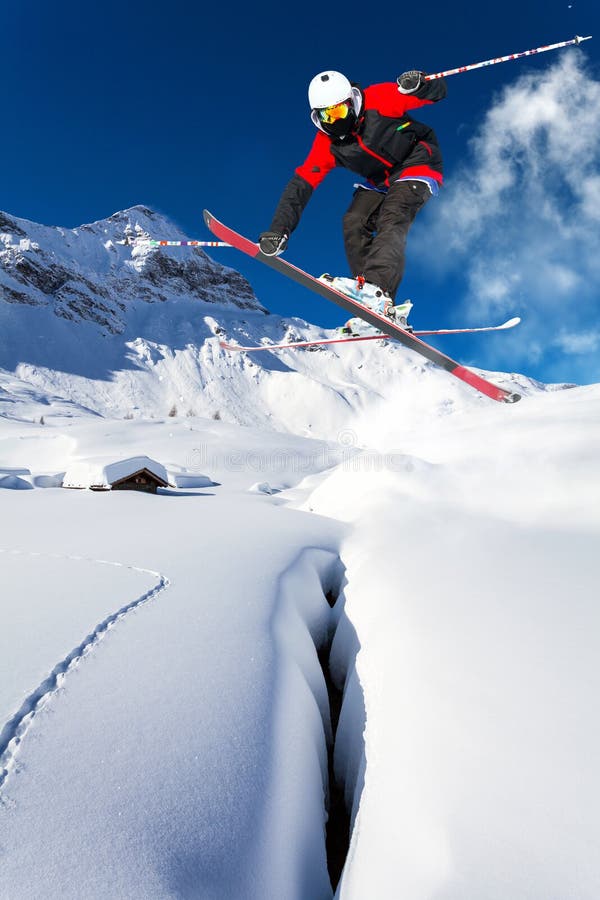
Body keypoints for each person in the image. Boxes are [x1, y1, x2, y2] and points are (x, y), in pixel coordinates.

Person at [259, 68, 446, 329]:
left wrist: (419, 85)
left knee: (394, 213)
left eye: (340, 111)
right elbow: (300, 186)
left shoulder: (380, 98)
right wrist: (279, 230)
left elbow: (435, 93)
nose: (335, 121)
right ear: (317, 116)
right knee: (354, 219)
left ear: (352, 102)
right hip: (381, 180)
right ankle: (374, 303)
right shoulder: (327, 142)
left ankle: (377, 289)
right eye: (327, 115)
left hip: (417, 163)